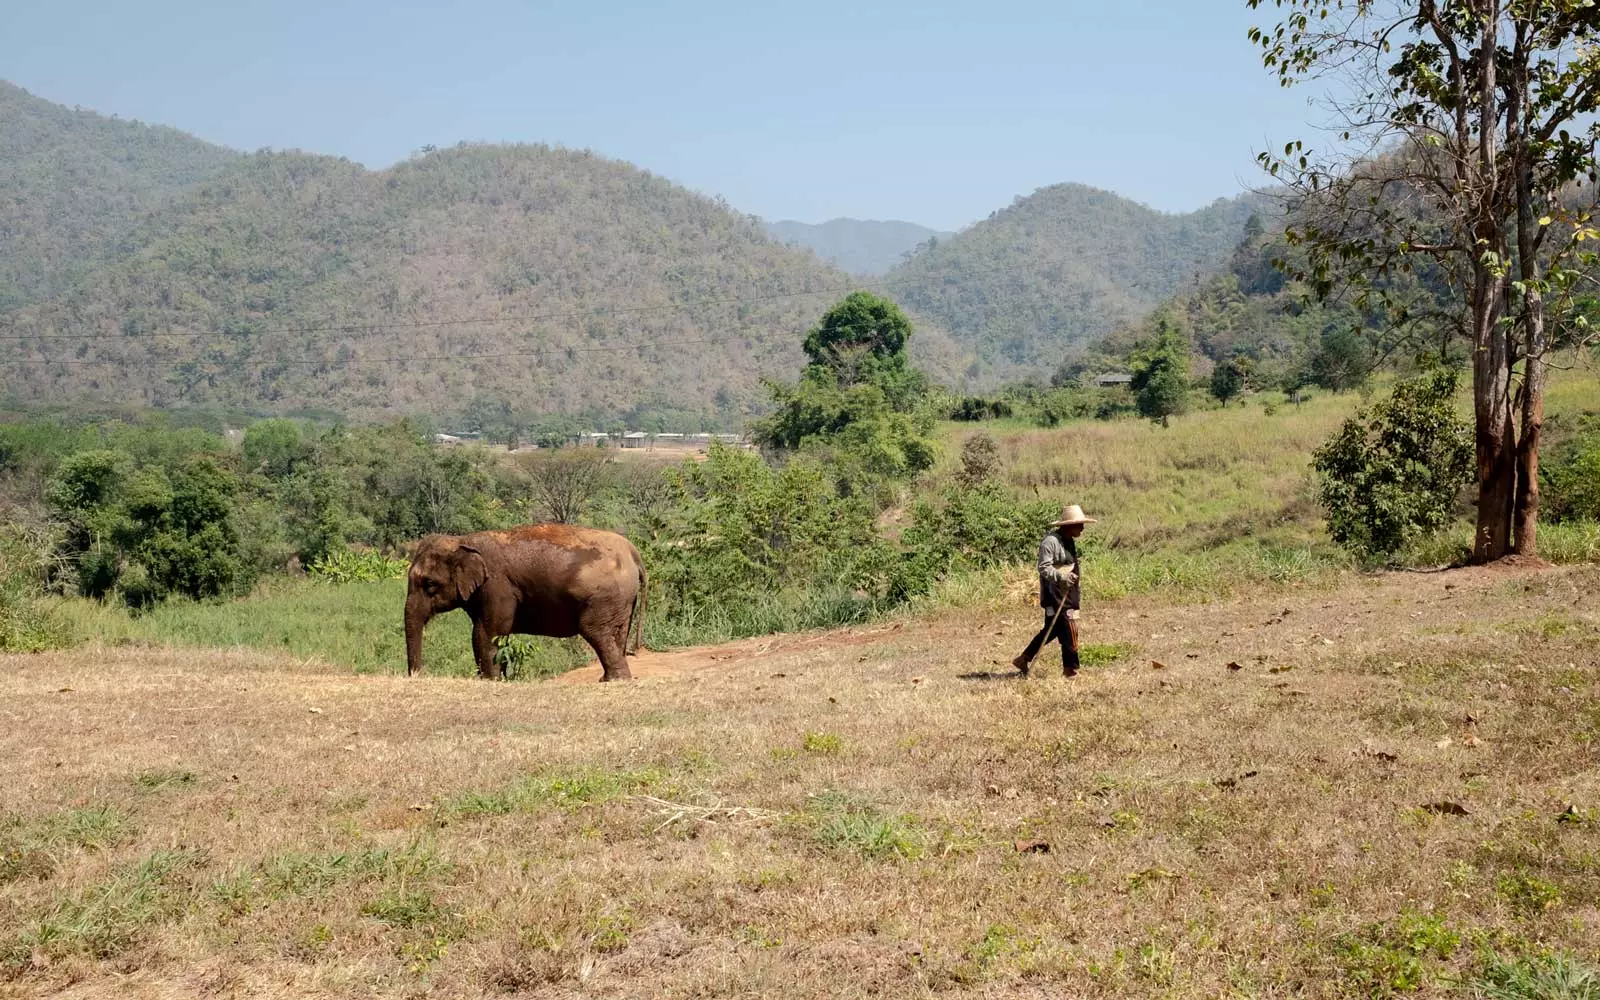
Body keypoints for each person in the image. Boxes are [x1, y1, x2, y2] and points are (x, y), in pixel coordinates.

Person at [1012, 504, 1095, 677]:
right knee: (1070, 630)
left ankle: (1024, 658)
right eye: (1079, 524)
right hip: (1055, 595)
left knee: (1053, 629)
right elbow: (1044, 568)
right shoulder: (1050, 542)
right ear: (1067, 525)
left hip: (1067, 593)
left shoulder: (1069, 540)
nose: (1082, 528)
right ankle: (1071, 669)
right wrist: (1062, 577)